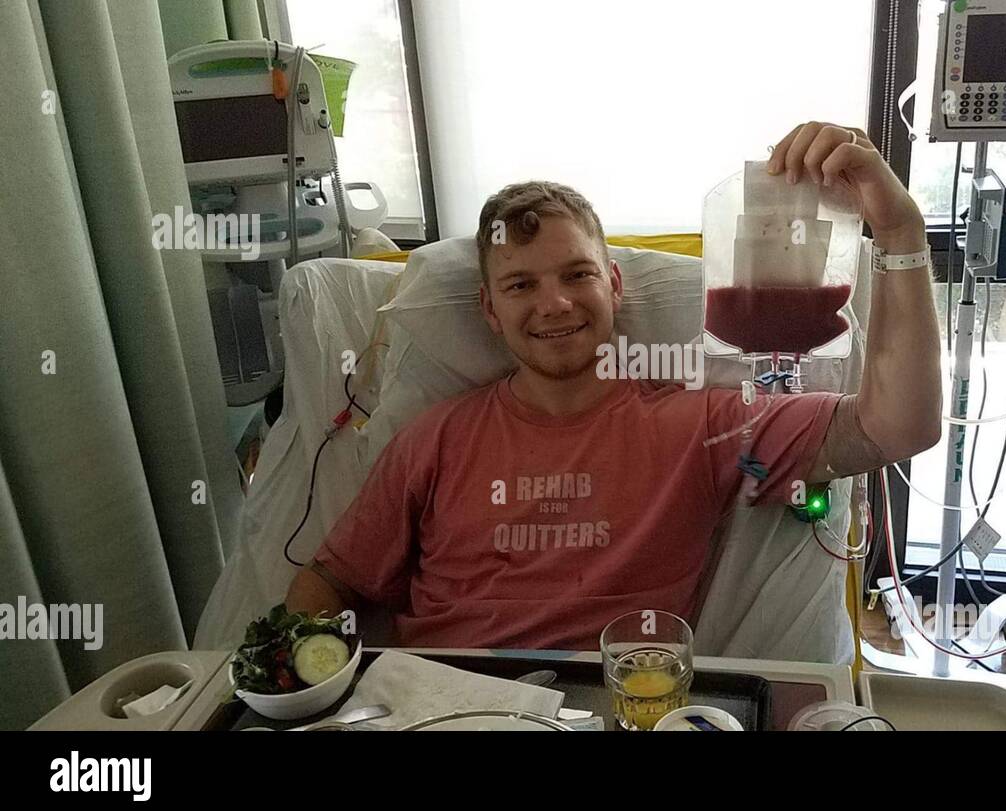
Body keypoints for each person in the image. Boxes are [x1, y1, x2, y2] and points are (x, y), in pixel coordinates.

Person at [284, 121, 941, 649]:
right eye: (521, 285)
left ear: (615, 287)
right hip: (442, 701)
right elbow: (329, 578)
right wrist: (309, 675)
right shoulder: (434, 440)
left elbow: (897, 426)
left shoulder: (703, 429)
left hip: (616, 704)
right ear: (489, 310)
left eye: (577, 275)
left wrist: (900, 228)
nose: (556, 304)